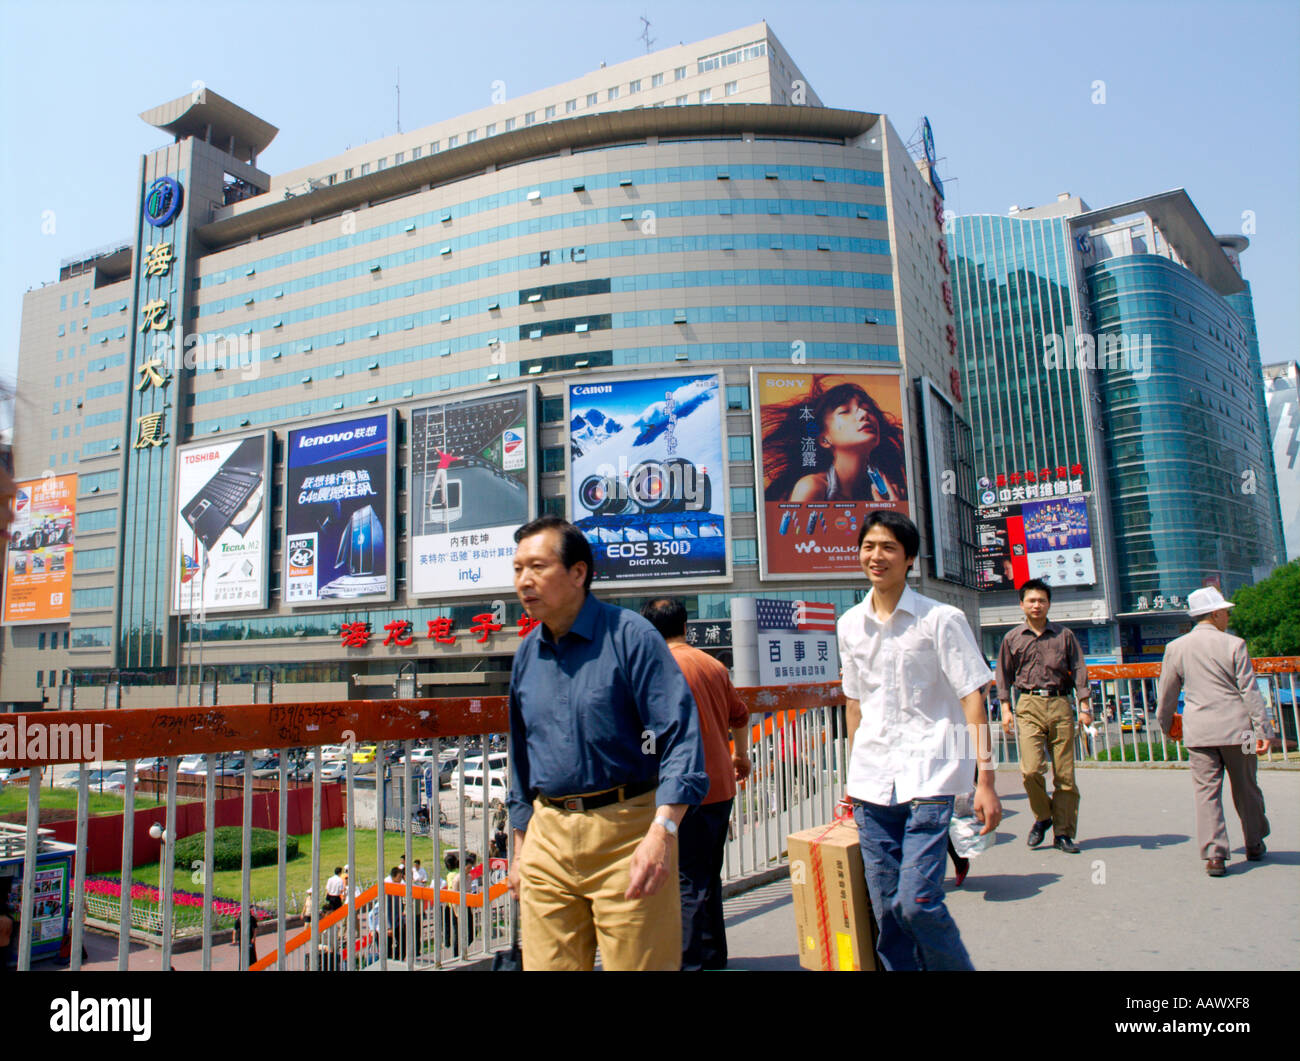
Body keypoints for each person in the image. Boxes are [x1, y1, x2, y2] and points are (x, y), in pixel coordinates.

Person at [506, 515, 708, 971]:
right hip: (547, 837)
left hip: (628, 835)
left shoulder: (631, 637)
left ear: (578, 573)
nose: (524, 581)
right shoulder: (525, 654)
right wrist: (520, 851)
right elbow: (521, 758)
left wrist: (663, 833)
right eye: (518, 569)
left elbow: (679, 737)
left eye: (537, 566)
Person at [838, 511, 1001, 971]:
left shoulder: (941, 619)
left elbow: (973, 697)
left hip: (931, 775)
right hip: (871, 784)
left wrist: (985, 781)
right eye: (869, 546)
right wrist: (851, 783)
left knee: (917, 901)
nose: (876, 556)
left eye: (889, 547)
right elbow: (854, 705)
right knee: (886, 910)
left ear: (909, 558)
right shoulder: (849, 625)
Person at [640, 597, 752, 971]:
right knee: (705, 874)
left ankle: (689, 963)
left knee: (685, 880)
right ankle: (712, 955)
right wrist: (741, 755)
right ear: (686, 625)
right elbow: (740, 714)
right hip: (719, 785)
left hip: (675, 791)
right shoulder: (712, 665)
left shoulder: (651, 669)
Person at [1157, 587, 1273, 877]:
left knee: (1206, 793)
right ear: (1216, 613)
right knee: (1247, 786)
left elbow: (1167, 696)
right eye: (1226, 612)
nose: (1228, 616)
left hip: (1199, 734)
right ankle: (1254, 841)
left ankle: (1215, 855)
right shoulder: (1235, 644)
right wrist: (1263, 730)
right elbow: (1249, 691)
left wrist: (1166, 726)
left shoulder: (1176, 648)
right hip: (1241, 732)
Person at [996, 579, 1091, 853]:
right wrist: (1005, 709)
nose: (1036, 605)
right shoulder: (1012, 638)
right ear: (1022, 604)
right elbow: (1003, 675)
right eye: (1031, 601)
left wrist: (1085, 707)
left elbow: (1079, 669)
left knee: (1065, 775)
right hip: (1027, 705)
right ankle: (1044, 816)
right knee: (1030, 770)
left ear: (1049, 604)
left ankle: (1063, 833)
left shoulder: (1064, 636)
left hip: (1061, 703)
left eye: (1041, 601)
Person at [762, 381, 907, 503]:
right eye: (844, 411)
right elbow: (796, 538)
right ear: (824, 440)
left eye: (867, 409)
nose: (864, 414)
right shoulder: (813, 487)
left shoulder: (887, 489)